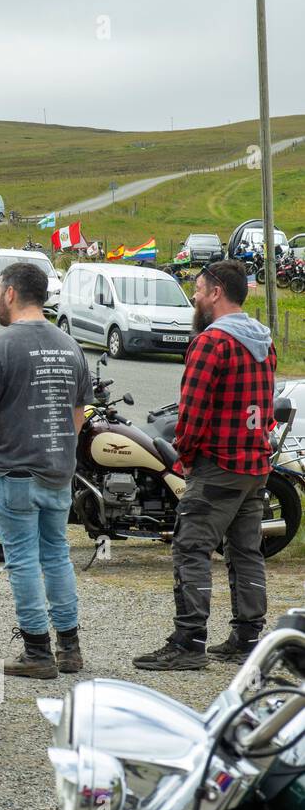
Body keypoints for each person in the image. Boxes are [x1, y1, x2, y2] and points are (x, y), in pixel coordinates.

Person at [134, 261, 277, 671]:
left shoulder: (210, 343)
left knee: (191, 548)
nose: (194, 297)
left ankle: (189, 641)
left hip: (218, 466)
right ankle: (249, 637)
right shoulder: (263, 341)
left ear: (216, 291)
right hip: (254, 464)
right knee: (246, 551)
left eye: (197, 289)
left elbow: (191, 415)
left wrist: (185, 456)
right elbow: (265, 407)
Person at [0, 262, 93, 679]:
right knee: (57, 556)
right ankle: (69, 648)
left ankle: (38, 653)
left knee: (21, 559)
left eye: (0, 289)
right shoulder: (70, 345)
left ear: (12, 293)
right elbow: (78, 414)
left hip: (12, 472)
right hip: (57, 470)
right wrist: (61, 451)